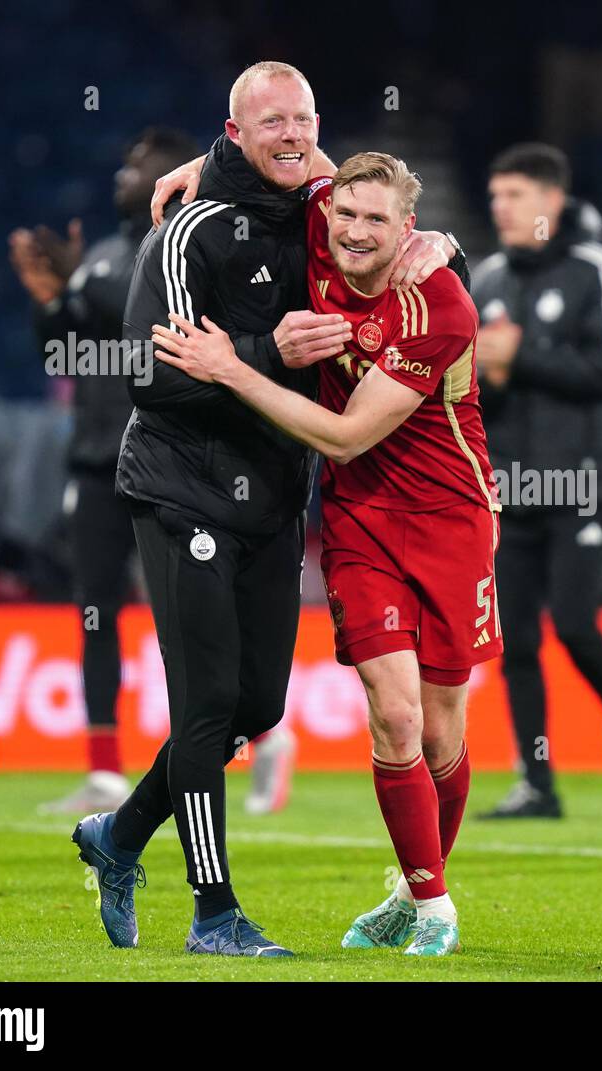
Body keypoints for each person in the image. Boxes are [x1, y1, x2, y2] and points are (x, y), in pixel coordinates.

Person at [71, 62, 460, 958]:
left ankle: (118, 836)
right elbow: (147, 372)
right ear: (234, 130)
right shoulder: (189, 228)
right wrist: (265, 347)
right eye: (270, 120)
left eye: (304, 118)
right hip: (180, 485)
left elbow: (401, 241)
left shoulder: (329, 216)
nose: (290, 133)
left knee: (256, 707)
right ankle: (215, 916)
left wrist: (442, 246)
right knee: (206, 706)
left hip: (276, 497)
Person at [151, 151, 498, 958]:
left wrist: (232, 368)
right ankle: (435, 902)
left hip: (452, 518)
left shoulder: (438, 305)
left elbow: (344, 436)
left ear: (407, 230)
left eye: (378, 220)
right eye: (345, 214)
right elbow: (288, 143)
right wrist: (200, 163)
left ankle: (411, 890)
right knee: (397, 713)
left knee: (443, 733)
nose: (353, 230)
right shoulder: (321, 218)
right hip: (361, 521)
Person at [10, 127, 200, 817]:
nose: (124, 177)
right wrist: (51, 301)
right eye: (122, 167)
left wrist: (78, 297)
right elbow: (63, 357)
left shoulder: (184, 251)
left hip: (164, 456)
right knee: (96, 613)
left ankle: (223, 745)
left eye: (137, 167)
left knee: (184, 612)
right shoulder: (99, 259)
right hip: (95, 462)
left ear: (172, 177)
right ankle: (104, 770)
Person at [469, 143, 602, 819]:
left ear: (552, 200)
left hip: (585, 484)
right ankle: (536, 781)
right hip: (510, 488)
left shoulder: (599, 270)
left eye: (514, 195)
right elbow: (471, 392)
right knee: (514, 637)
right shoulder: (487, 278)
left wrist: (525, 357)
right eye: (494, 197)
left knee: (575, 623)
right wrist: (487, 378)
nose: (501, 209)